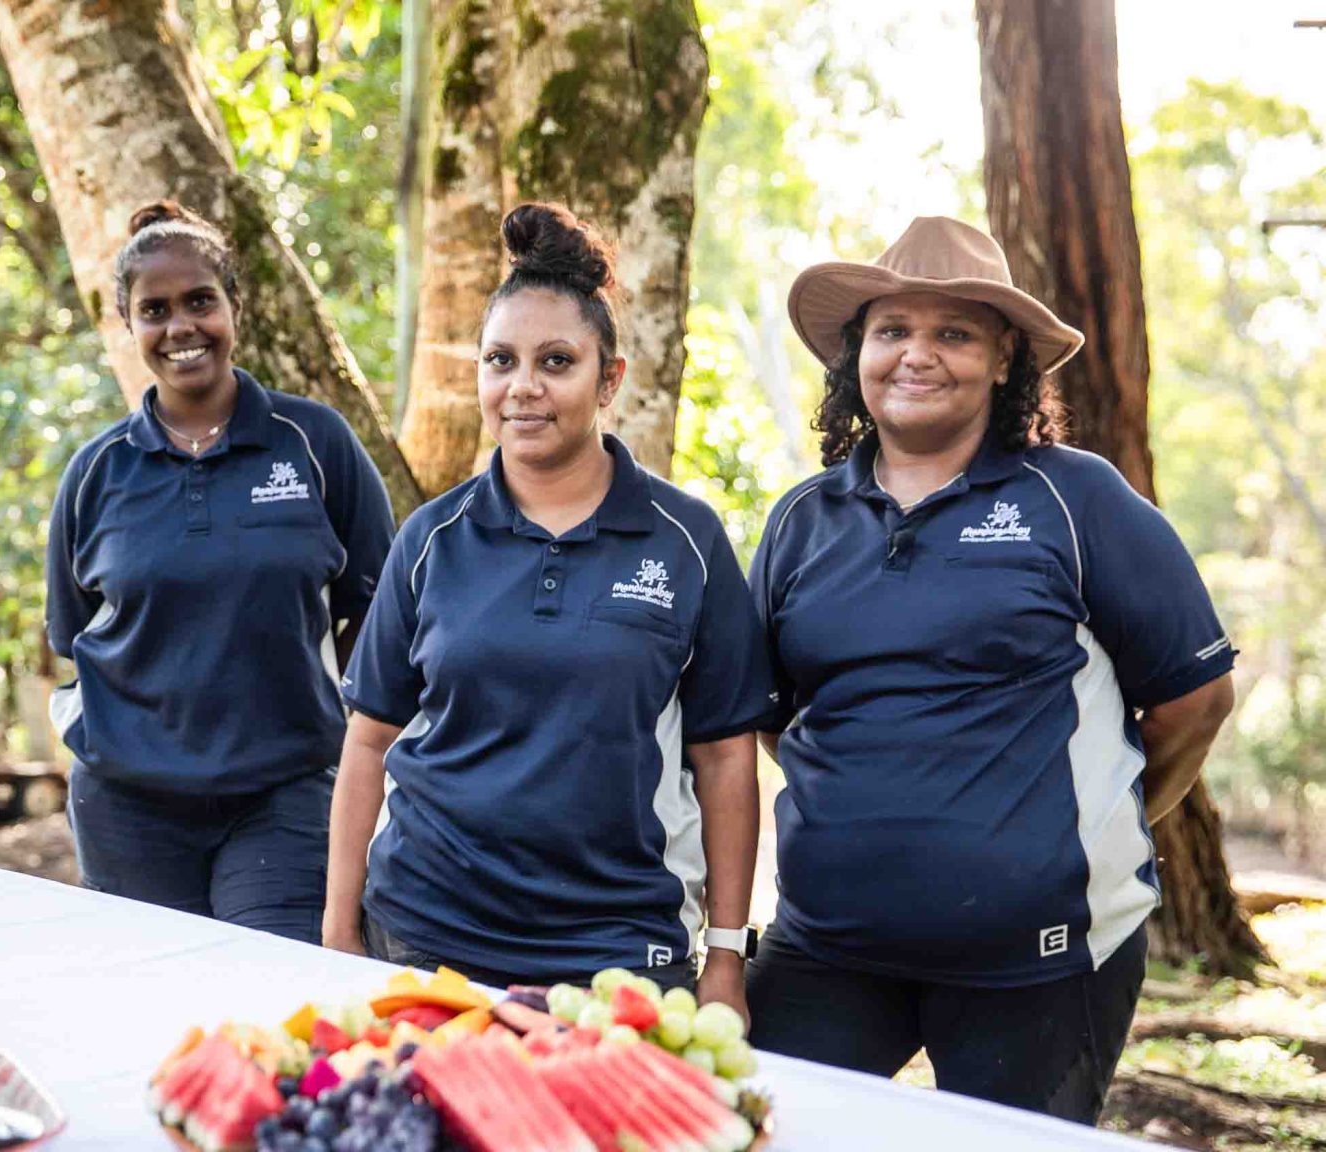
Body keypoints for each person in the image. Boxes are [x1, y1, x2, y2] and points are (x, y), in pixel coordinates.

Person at [746, 216, 1238, 1122]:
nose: (917, 355)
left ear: (1006, 360)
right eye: (892, 331)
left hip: (1042, 962)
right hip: (828, 949)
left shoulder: (1079, 498)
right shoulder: (800, 521)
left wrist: (1080, 833)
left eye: (954, 333)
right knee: (743, 1129)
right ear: (857, 352)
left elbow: (1195, 702)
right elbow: (775, 716)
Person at [325, 204, 772, 1009]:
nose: (523, 387)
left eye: (556, 361)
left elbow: (726, 761)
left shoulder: (686, 540)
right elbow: (367, 742)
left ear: (610, 379)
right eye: (501, 360)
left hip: (619, 951)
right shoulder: (431, 537)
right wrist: (337, 932)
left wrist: (727, 961)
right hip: (427, 936)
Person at [45, 201, 396, 944]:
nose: (181, 327)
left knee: (275, 1004)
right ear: (128, 325)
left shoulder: (315, 443)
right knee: (147, 1020)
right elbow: (76, 634)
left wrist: (351, 733)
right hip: (127, 807)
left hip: (285, 793)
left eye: (200, 301)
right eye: (155, 310)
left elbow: (382, 610)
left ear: (235, 306)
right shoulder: (97, 473)